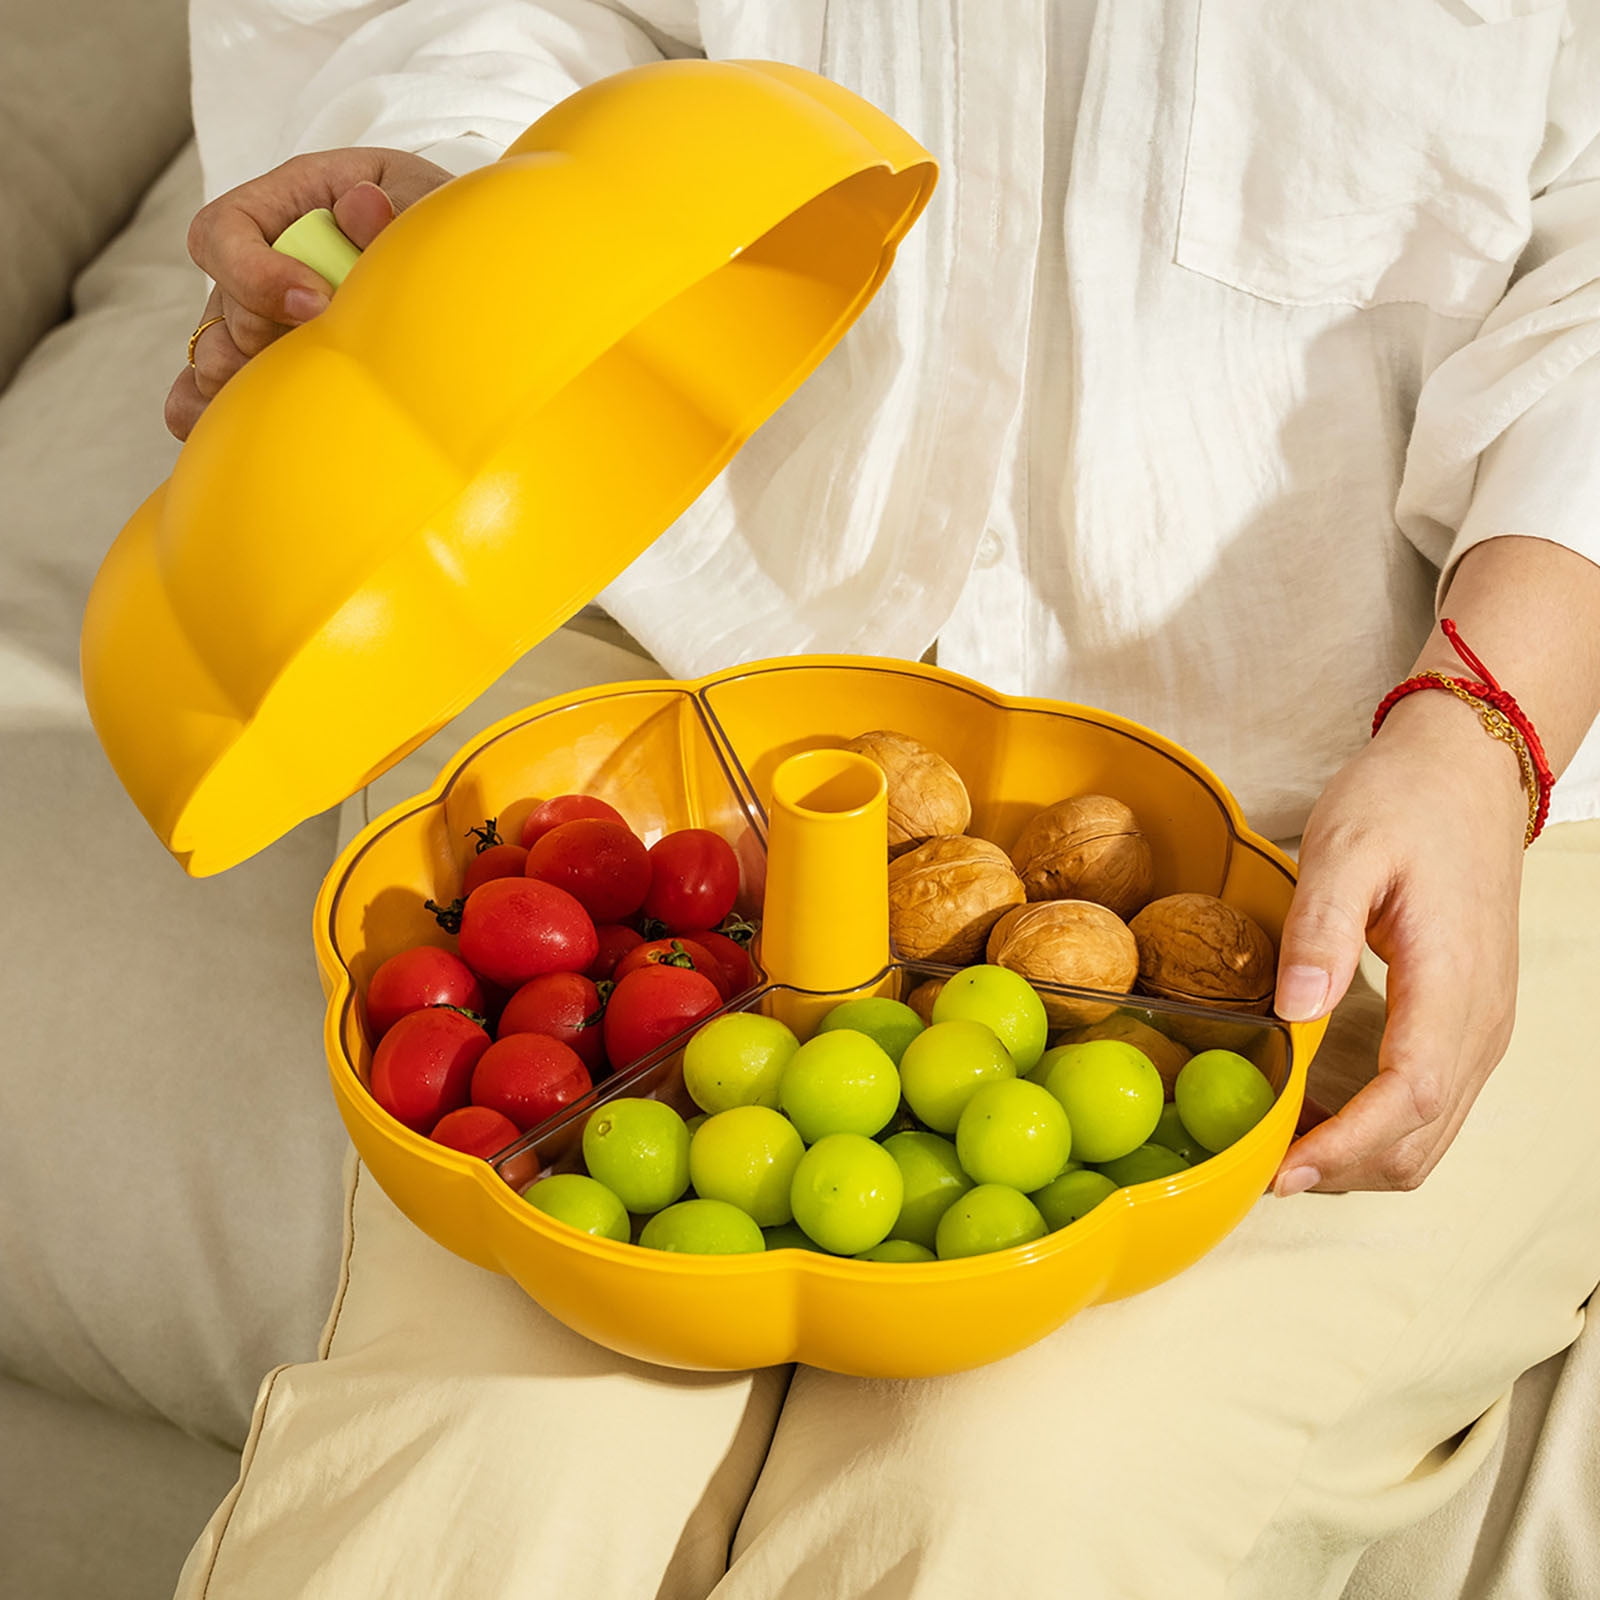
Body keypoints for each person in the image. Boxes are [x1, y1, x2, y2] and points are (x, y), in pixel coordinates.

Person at [163, 3, 1600, 1596]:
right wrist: (453, 213)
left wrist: (1486, 726)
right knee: (486, 1471)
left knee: (1002, 1503)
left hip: (1401, 752)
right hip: (695, 633)